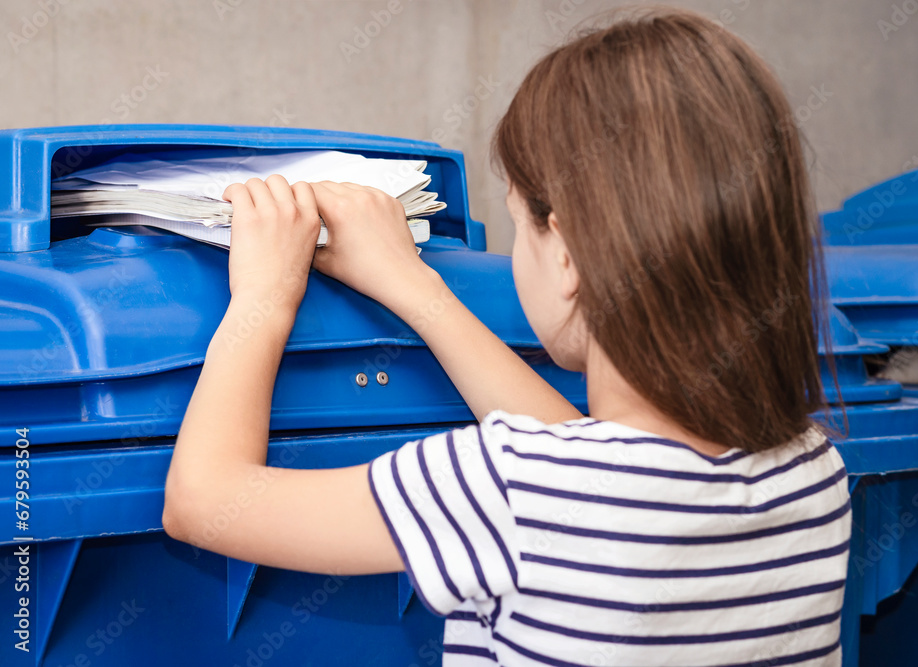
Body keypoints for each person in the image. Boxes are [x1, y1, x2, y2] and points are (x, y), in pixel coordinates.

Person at [163, 8, 850, 666]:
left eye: (523, 222)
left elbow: (204, 502)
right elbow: (582, 449)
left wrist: (263, 297)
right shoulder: (812, 471)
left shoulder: (509, 485)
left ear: (569, 256)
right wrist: (415, 288)